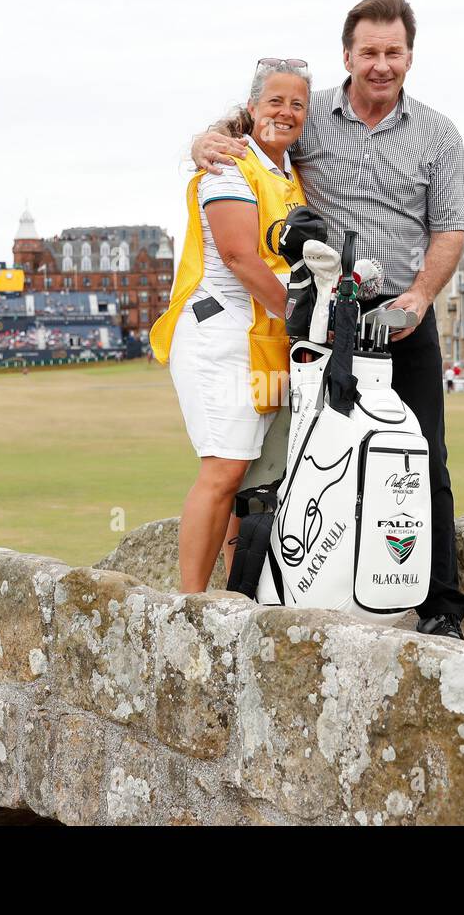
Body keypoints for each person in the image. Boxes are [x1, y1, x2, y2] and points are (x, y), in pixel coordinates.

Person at [190, 0, 464, 639]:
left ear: (409, 56)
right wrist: (203, 138)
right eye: (367, 52)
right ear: (347, 54)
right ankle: (313, 588)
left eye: (392, 52)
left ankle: (441, 608)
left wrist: (421, 296)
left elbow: (451, 229)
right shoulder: (309, 113)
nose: (380, 64)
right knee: (309, 454)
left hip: (403, 313)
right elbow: (251, 129)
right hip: (326, 320)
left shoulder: (438, 133)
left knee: (425, 455)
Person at [152, 59, 311, 594]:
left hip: (260, 337)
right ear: (252, 108)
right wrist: (305, 319)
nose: (285, 113)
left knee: (246, 477)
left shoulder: (289, 173)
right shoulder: (230, 165)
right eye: (274, 101)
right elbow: (241, 257)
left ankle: (233, 595)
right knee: (223, 468)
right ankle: (190, 605)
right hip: (219, 332)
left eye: (296, 104)